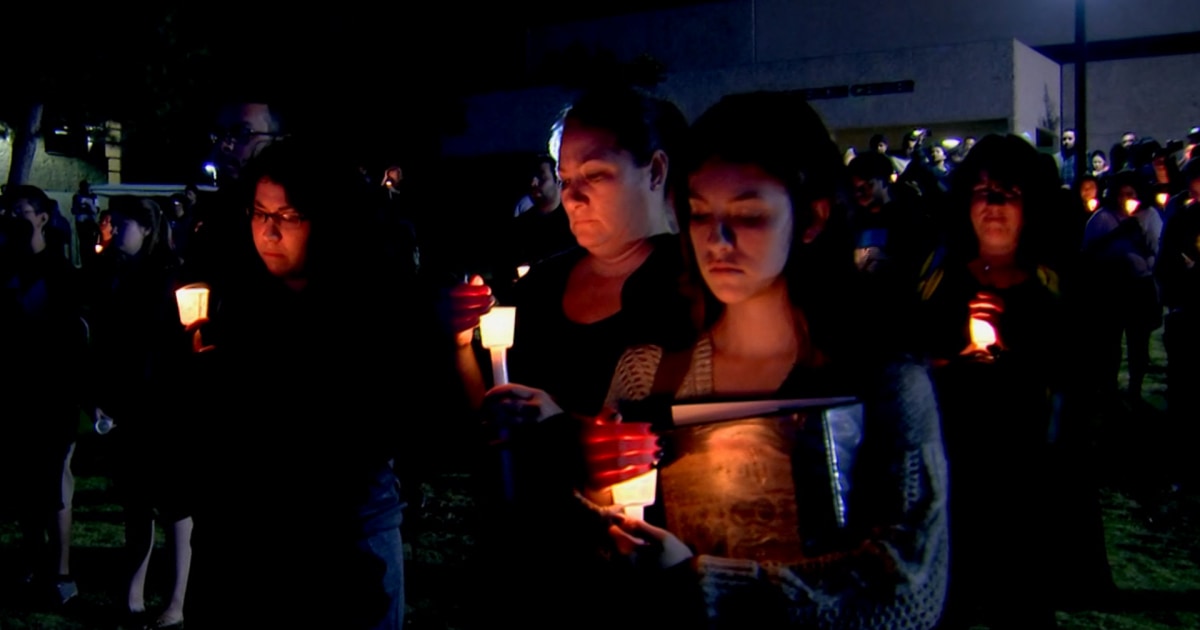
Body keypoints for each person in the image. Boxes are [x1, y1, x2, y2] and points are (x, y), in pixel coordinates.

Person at [488, 91, 950, 629]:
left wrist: (701, 582)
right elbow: (597, 554)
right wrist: (591, 488)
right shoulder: (649, 372)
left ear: (812, 217)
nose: (717, 239)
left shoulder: (881, 379)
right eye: (701, 212)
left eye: (748, 214)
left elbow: (909, 587)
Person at [183, 140, 448, 629]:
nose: (269, 229)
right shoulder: (237, 302)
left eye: (290, 215)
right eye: (260, 212)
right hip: (243, 538)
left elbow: (395, 425)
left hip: (343, 538)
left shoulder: (373, 309)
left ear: (328, 220)